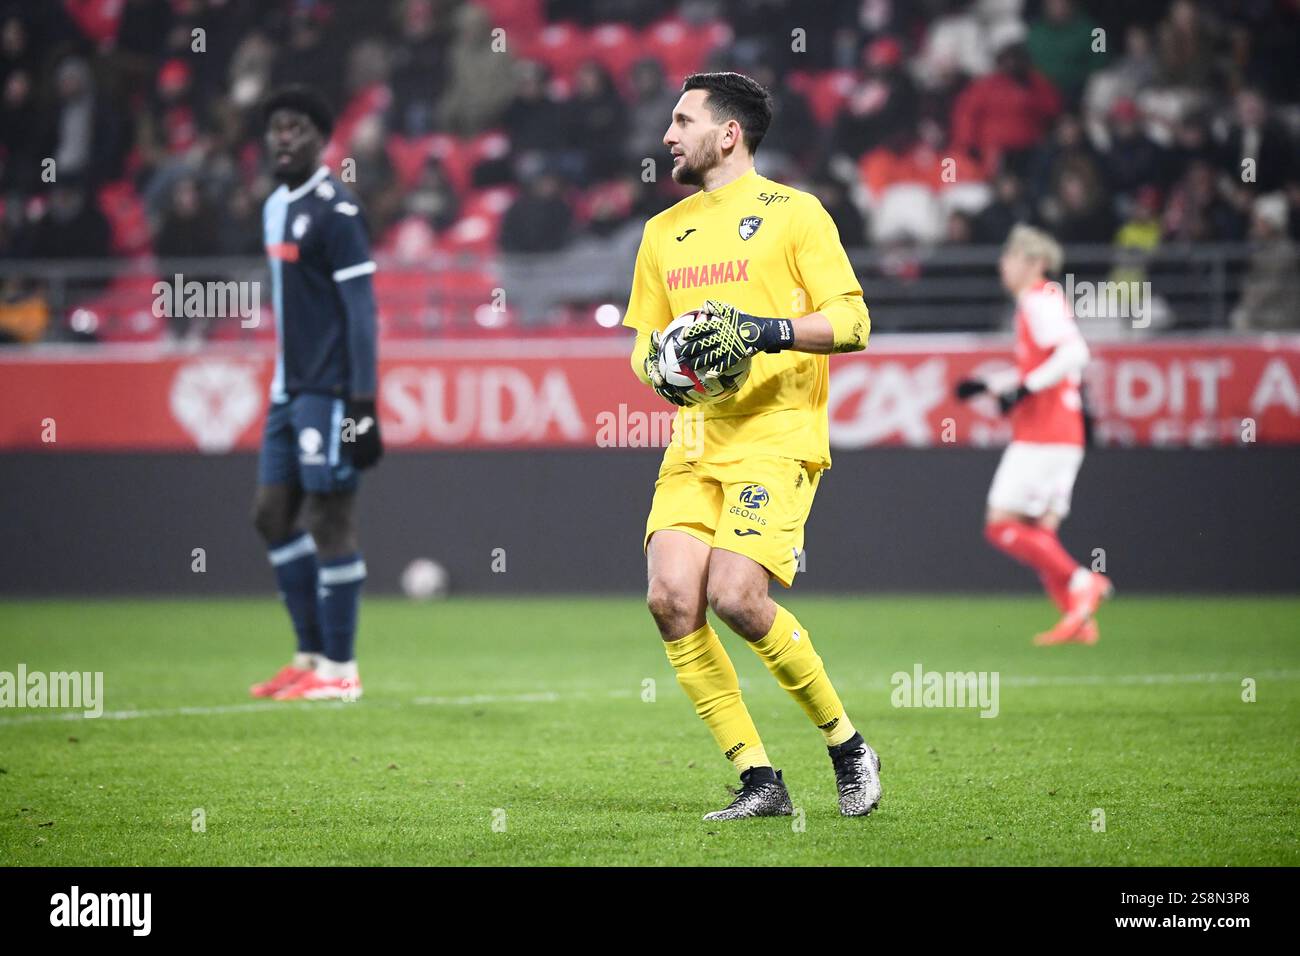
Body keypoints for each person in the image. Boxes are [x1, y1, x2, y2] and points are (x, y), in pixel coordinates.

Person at [622, 72, 879, 821]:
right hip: (695, 440)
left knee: (736, 597)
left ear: (728, 133)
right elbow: (644, 347)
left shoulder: (794, 214)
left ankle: (846, 744)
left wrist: (765, 332)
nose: (667, 136)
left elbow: (854, 323)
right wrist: (665, 374)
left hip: (775, 437)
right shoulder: (660, 233)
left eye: (682, 120)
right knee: (671, 602)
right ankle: (759, 780)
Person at [248, 86, 383, 702]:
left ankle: (341, 670)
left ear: (321, 139)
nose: (283, 137)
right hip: (286, 390)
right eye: (276, 127)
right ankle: (308, 657)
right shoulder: (276, 206)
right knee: (272, 516)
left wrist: (362, 404)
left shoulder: (337, 210)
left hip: (329, 393)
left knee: (331, 517)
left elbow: (361, 312)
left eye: (296, 127)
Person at [954, 224, 1111, 645]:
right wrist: (992, 385)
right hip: (1060, 435)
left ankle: (1083, 582)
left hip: (1043, 436)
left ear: (1034, 263)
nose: (1003, 264)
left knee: (1000, 524)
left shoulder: (1037, 301)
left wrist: (1023, 388)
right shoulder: (1042, 302)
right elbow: (1047, 364)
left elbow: (1076, 353)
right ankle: (1078, 619)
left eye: (1011, 257)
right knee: (1040, 531)